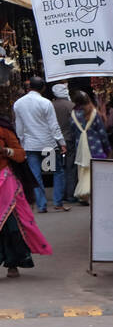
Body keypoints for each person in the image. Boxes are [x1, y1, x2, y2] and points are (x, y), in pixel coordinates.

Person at [0, 110, 53, 278]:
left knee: (11, 226)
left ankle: (13, 263)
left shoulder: (3, 129)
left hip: (6, 182)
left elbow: (21, 154)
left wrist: (6, 151)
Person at [12, 76, 69, 213]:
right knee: (57, 171)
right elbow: (53, 125)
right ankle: (57, 202)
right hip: (47, 144)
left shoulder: (18, 104)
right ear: (43, 88)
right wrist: (61, 142)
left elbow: (19, 127)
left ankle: (42, 205)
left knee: (35, 175)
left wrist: (21, 142)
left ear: (28, 87)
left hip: (30, 145)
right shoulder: (45, 103)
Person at [67, 90, 110, 203]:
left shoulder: (73, 115)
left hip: (80, 148)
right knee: (95, 172)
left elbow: (72, 133)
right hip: (96, 147)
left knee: (82, 171)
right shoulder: (94, 113)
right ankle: (93, 194)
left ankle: (84, 195)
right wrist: (107, 148)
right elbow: (102, 132)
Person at [48, 82, 75, 206]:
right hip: (69, 138)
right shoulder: (71, 106)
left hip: (52, 140)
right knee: (70, 166)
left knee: (55, 168)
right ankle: (69, 194)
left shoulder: (49, 105)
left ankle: (58, 195)